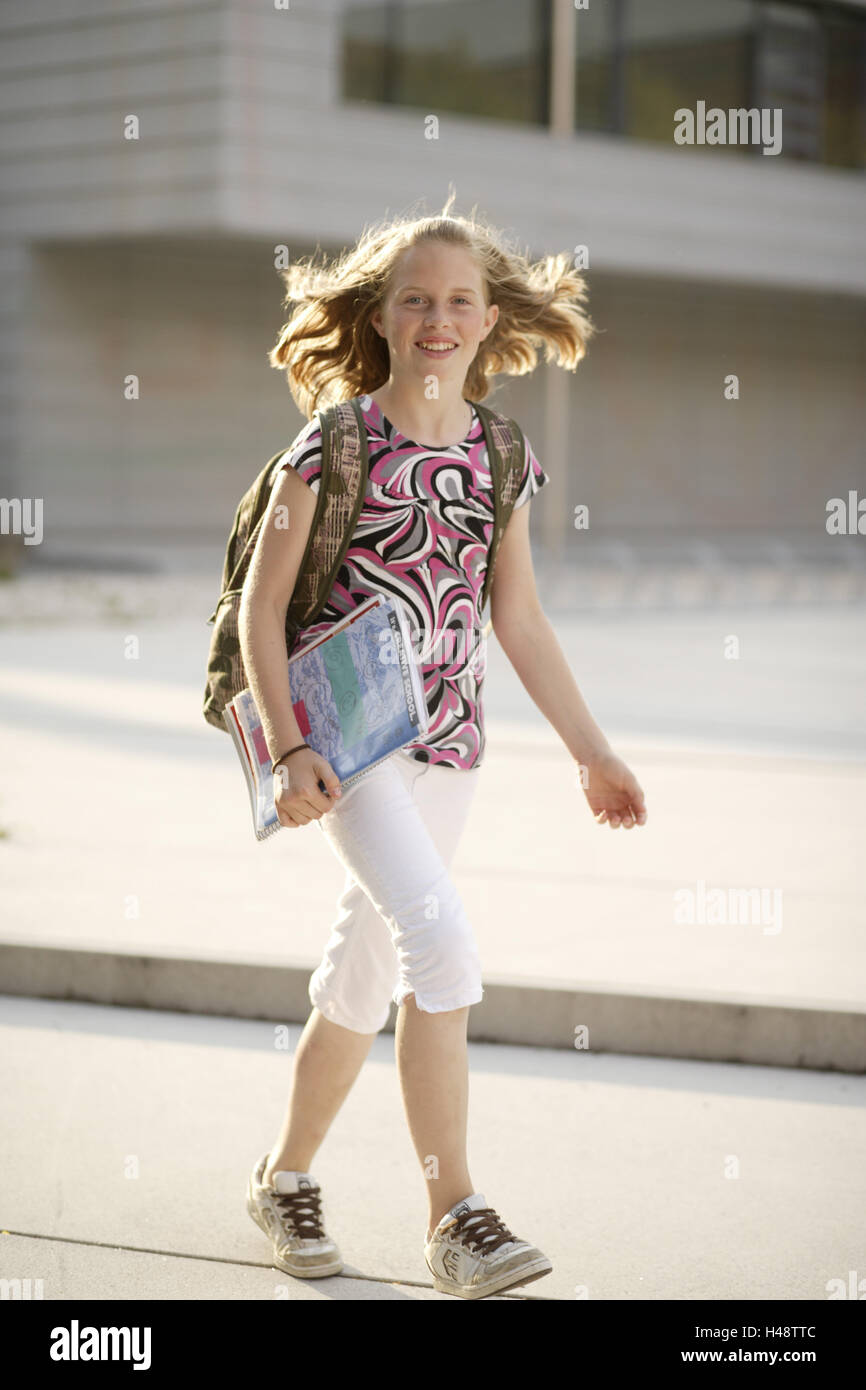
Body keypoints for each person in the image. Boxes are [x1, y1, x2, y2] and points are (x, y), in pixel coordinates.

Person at [239, 193, 647, 1301]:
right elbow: (260, 610)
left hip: (452, 752)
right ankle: (455, 1216)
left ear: (485, 319)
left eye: (457, 300)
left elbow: (517, 617)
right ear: (379, 315)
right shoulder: (331, 443)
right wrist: (286, 749)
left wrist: (589, 752)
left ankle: (280, 1180)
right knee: (442, 947)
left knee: (361, 978)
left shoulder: (500, 454)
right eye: (413, 297)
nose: (436, 316)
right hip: (350, 748)